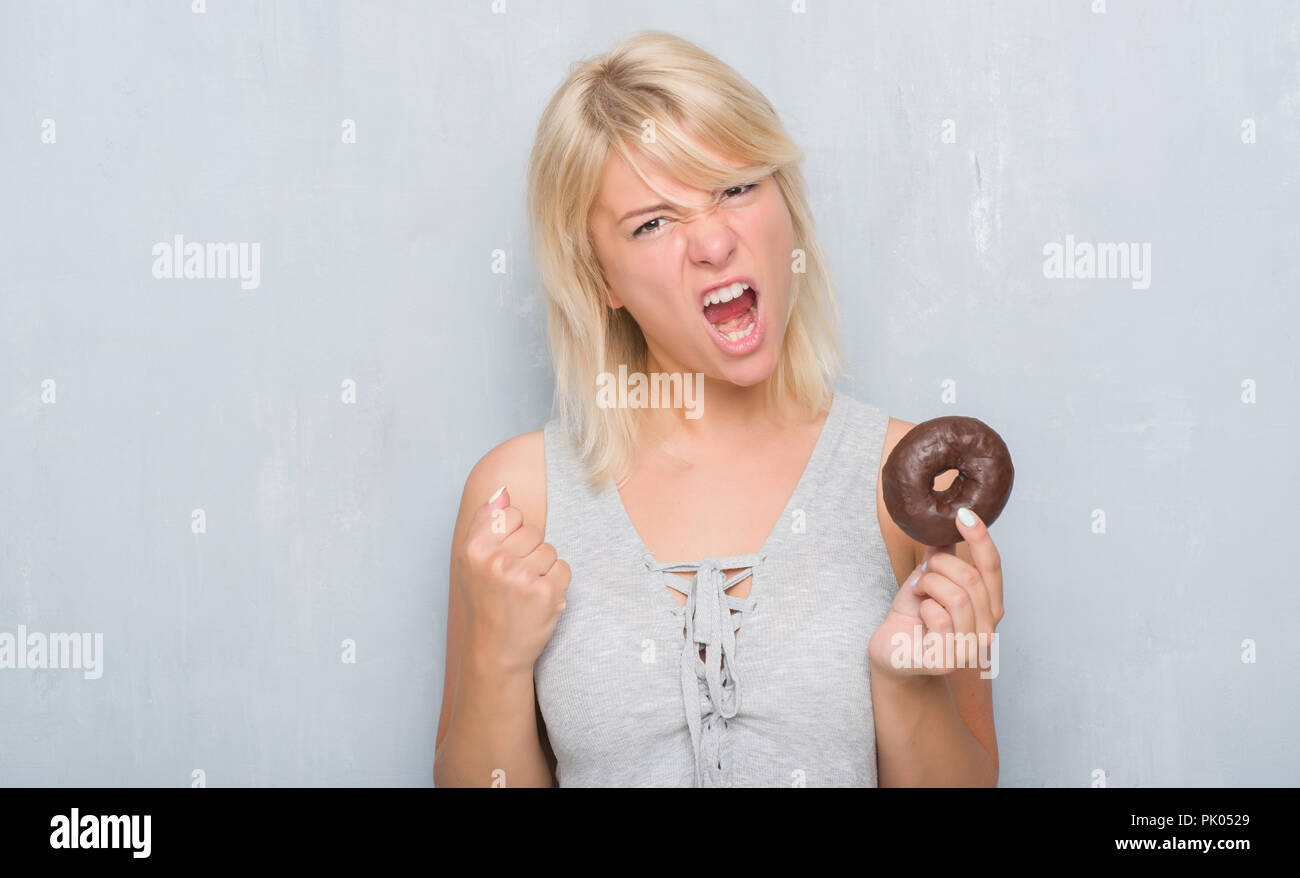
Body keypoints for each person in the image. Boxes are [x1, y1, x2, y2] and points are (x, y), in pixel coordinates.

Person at [434, 30, 1003, 788]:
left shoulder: (905, 488)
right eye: (653, 223)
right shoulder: (517, 503)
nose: (713, 243)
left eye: (735, 188)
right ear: (602, 279)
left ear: (785, 209)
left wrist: (908, 690)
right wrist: (496, 662)